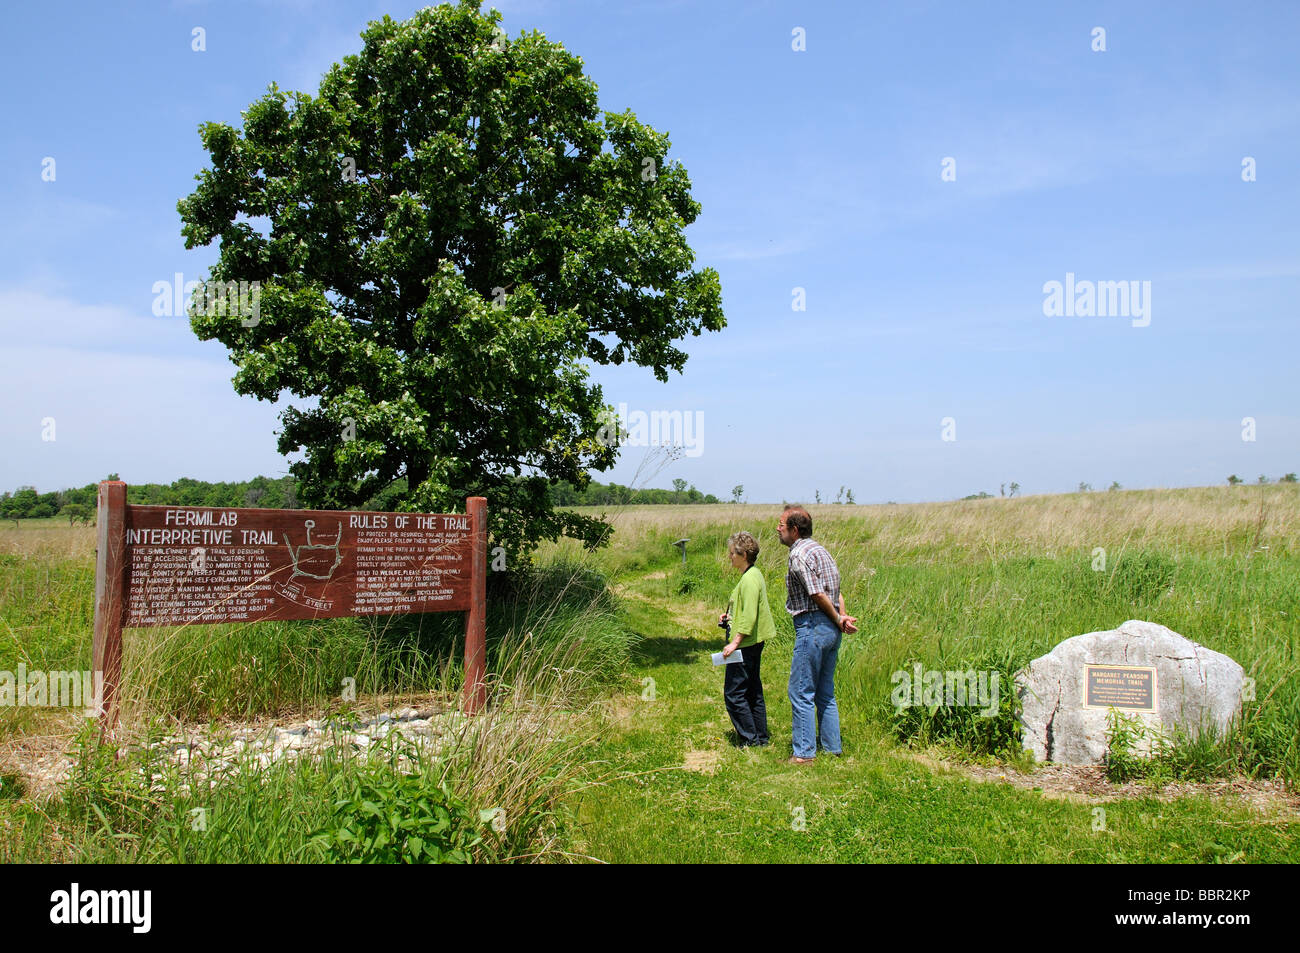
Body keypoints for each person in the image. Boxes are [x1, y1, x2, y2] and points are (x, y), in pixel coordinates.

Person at [777, 505, 856, 764]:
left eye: (781, 525)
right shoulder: (821, 551)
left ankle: (804, 754)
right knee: (825, 691)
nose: (778, 529)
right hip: (831, 629)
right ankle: (832, 748)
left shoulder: (798, 554)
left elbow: (817, 594)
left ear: (794, 530)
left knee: (801, 691)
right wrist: (841, 618)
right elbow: (836, 591)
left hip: (812, 626)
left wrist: (836, 617)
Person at [718, 531, 775, 747]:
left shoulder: (750, 579)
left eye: (732, 553)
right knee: (752, 690)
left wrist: (734, 642)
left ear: (743, 554)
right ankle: (760, 737)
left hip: (745, 644)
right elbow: (745, 610)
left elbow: (750, 615)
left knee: (733, 694)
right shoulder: (754, 574)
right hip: (752, 643)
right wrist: (728, 618)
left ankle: (750, 739)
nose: (729, 556)